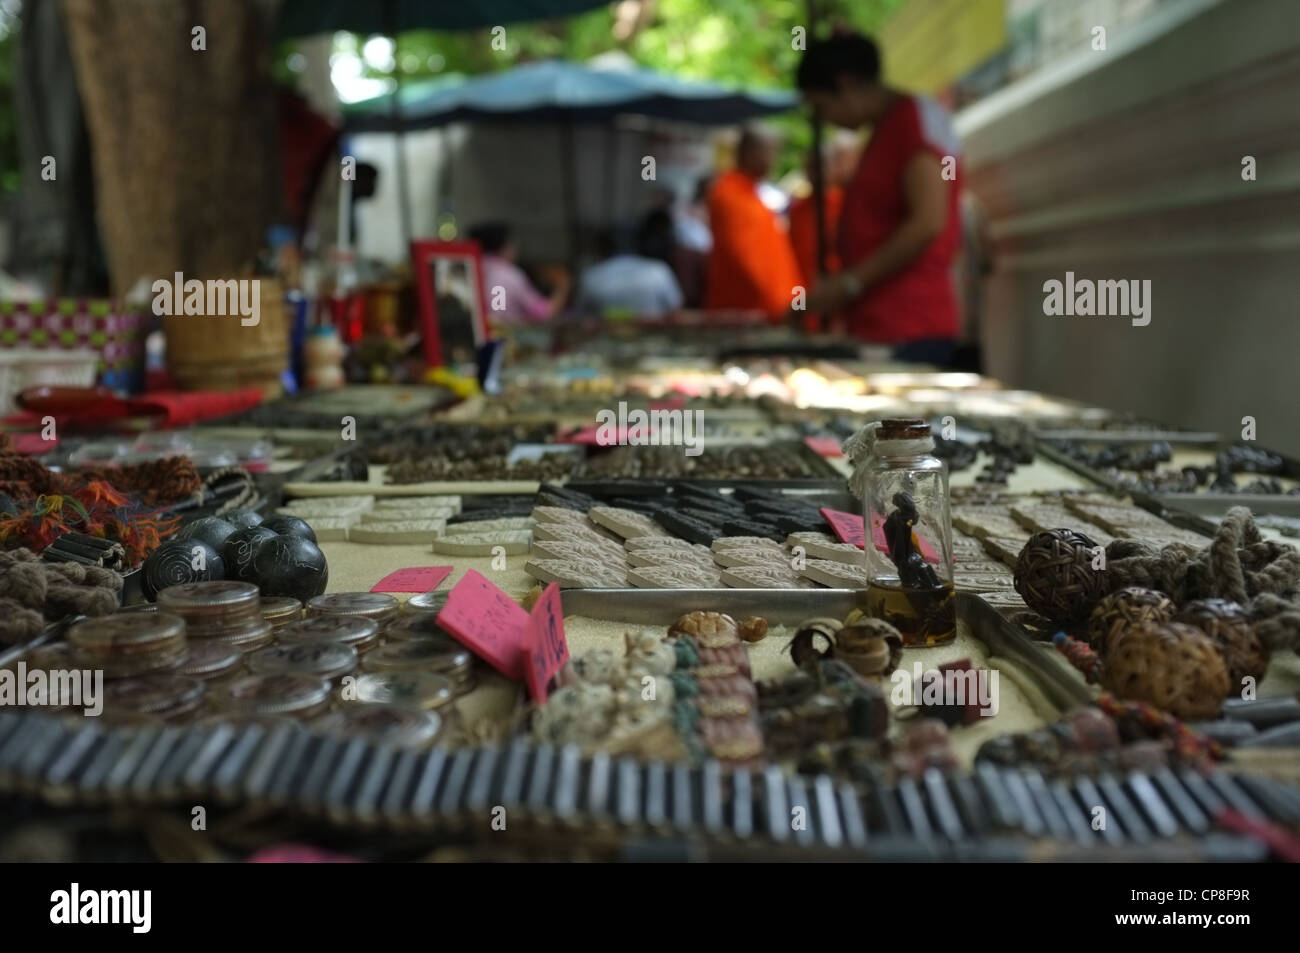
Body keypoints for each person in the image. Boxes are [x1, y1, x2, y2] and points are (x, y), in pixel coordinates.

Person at [796, 32, 963, 364]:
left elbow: (929, 221)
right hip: (884, 325)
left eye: (821, 106)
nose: (825, 119)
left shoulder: (912, 120)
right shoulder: (886, 127)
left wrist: (850, 283)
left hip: (912, 326)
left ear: (844, 85)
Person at [704, 127, 803, 320]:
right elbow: (749, 262)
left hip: (765, 310)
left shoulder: (749, 194)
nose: (773, 160)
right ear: (749, 153)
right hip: (747, 313)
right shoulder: (731, 196)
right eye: (770, 152)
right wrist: (780, 304)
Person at [574, 219, 684, 319]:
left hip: (604, 338)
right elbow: (675, 310)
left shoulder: (591, 276)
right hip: (653, 338)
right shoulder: (658, 271)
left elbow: (581, 316)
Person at [788, 132, 859, 287]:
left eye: (821, 166)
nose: (815, 174)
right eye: (811, 167)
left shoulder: (846, 205)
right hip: (801, 288)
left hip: (835, 290)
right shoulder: (798, 210)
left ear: (833, 167)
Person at [467, 222, 568, 323]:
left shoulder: (470, 269)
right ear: (505, 246)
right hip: (504, 334)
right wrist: (563, 286)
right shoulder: (509, 274)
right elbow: (543, 313)